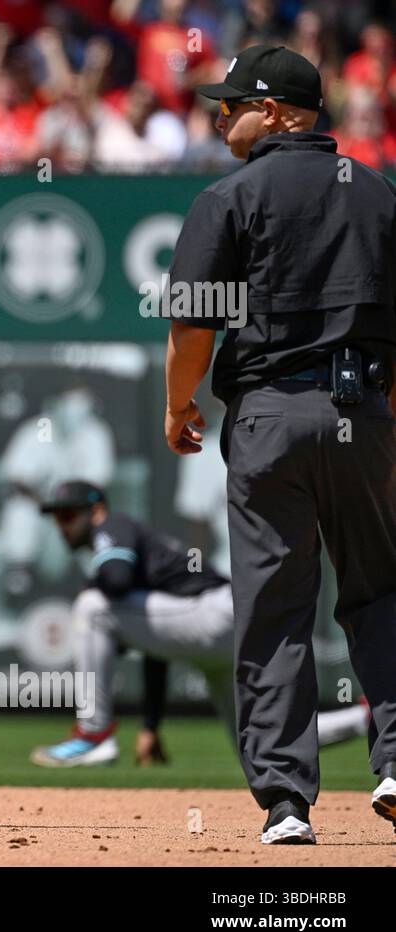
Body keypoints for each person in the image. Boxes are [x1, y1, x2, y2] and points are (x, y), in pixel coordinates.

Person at [164, 44, 396, 845]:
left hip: (268, 417)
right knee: (381, 592)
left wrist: (177, 405)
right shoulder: (377, 195)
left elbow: (194, 320)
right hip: (366, 412)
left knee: (274, 610)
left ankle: (287, 804)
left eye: (236, 104)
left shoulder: (228, 197)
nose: (221, 115)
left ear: (284, 114)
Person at [28, 481, 370, 768]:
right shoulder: (129, 553)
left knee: (91, 607)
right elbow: (155, 645)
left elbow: (115, 581)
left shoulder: (112, 526)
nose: (63, 525)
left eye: (69, 515)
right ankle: (367, 717)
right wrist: (150, 725)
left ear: (97, 510)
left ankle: (94, 733)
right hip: (228, 621)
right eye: (57, 518)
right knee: (257, 746)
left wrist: (91, 588)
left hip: (215, 613)